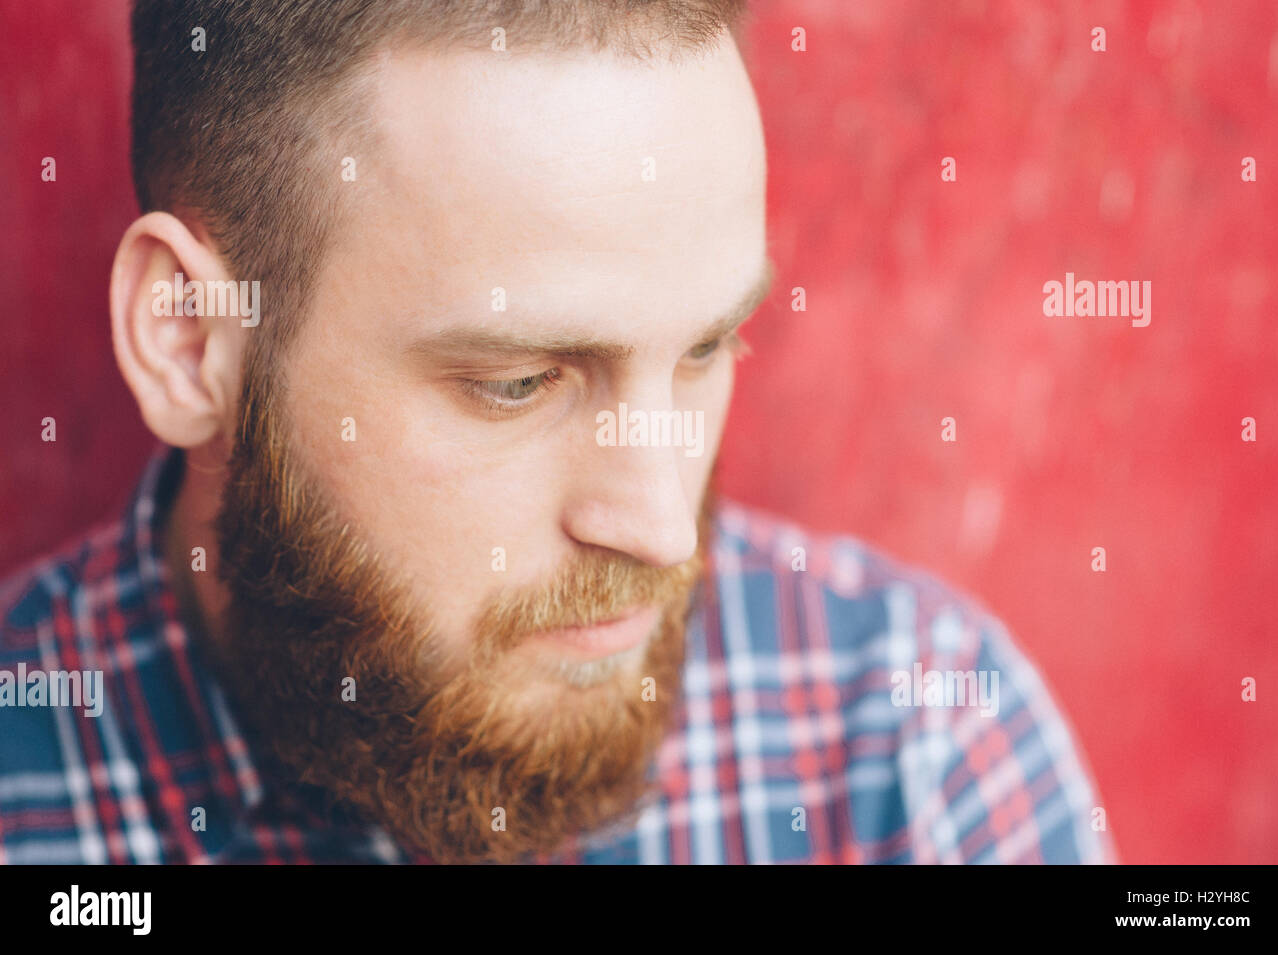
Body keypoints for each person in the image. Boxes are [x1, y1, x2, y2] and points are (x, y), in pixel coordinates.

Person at [0, 0, 1115, 864]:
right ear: (192, 338)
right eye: (519, 382)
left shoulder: (910, 750)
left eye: (704, 350)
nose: (663, 528)